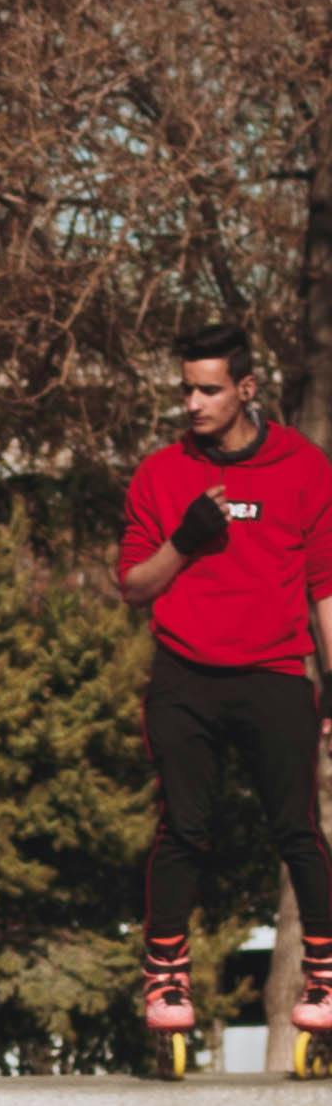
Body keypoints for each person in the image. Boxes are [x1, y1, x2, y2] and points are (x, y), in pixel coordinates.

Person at [117, 317, 332, 1043]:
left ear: (246, 389)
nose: (193, 404)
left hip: (274, 673)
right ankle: (166, 972)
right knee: (184, 827)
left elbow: (326, 588)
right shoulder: (161, 472)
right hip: (185, 677)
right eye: (185, 390)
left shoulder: (305, 468)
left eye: (208, 390)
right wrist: (184, 540)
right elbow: (135, 586)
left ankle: (326, 973)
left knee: (298, 828)